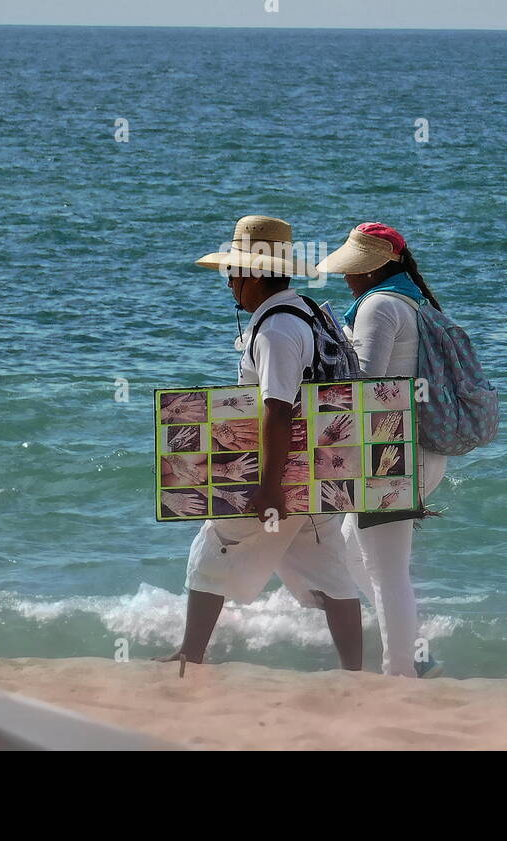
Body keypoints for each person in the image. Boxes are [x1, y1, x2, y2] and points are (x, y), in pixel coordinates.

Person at [155, 215, 363, 670]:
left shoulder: (275, 331)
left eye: (233, 273)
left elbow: (277, 409)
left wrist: (269, 489)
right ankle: (356, 674)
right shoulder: (307, 311)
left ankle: (190, 656)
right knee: (330, 572)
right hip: (318, 471)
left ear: (252, 275)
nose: (229, 284)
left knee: (213, 550)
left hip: (282, 474)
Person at [316, 222, 447, 677]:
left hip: (389, 452)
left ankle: (401, 674)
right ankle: (416, 655)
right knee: (353, 556)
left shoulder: (377, 307)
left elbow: (364, 386)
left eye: (354, 269)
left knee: (386, 571)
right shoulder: (412, 300)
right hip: (413, 447)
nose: (348, 277)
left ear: (375, 269)